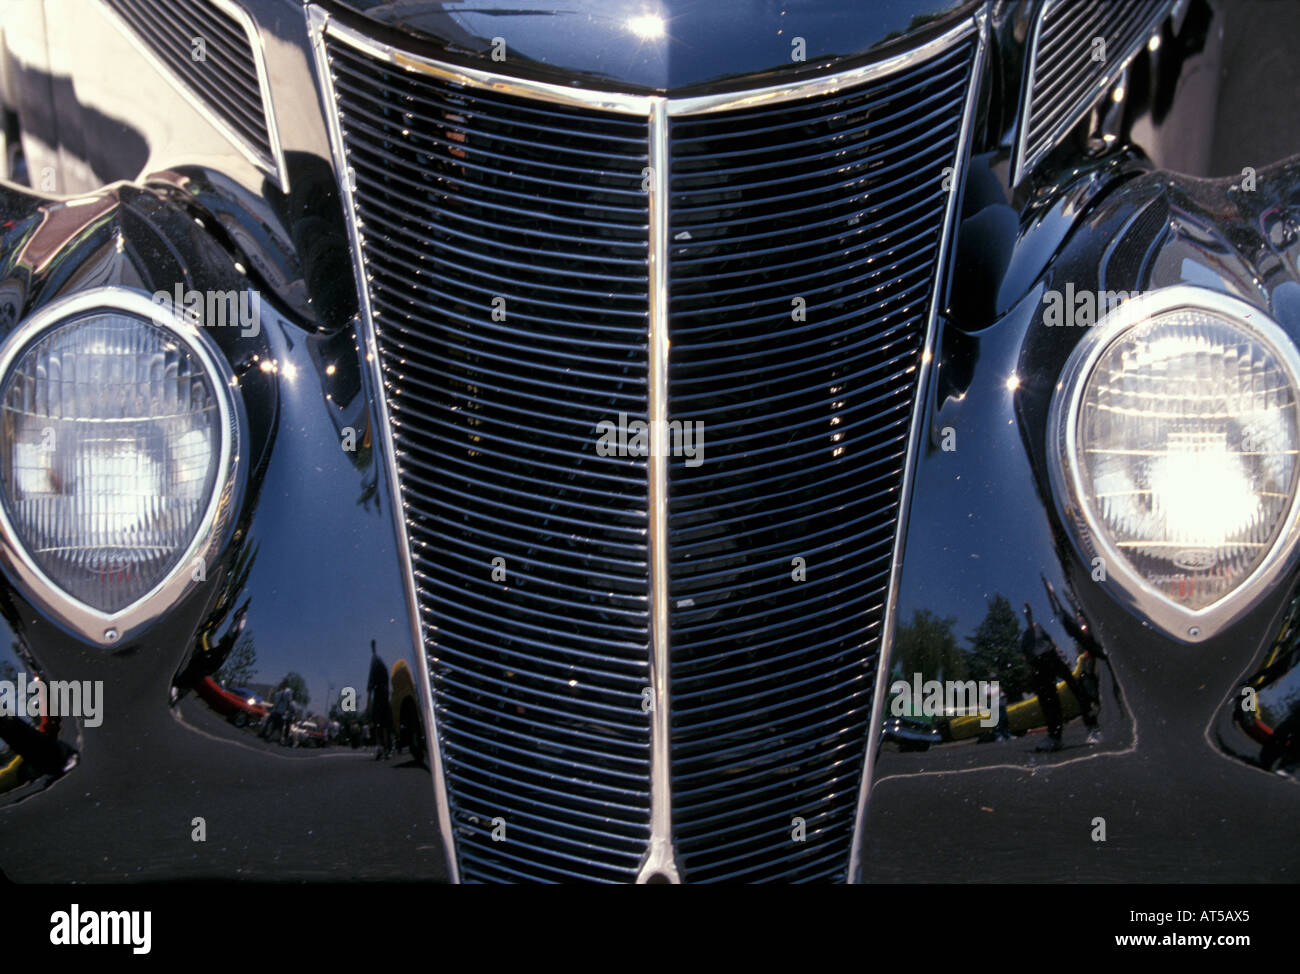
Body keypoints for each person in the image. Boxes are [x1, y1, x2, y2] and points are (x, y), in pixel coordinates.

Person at [1021, 603, 1099, 752]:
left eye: (1028, 614)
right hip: (1038, 664)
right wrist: (1030, 668)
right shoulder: (1025, 636)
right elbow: (1025, 654)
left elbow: (1051, 641)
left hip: (1051, 657)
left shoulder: (1038, 627)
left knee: (1074, 686)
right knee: (1048, 698)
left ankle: (1092, 726)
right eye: (1026, 614)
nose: (1028, 616)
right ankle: (1055, 737)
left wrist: (1060, 651)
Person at [367, 640, 393, 760]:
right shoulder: (380, 664)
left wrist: (369, 695)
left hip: (379, 694)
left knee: (379, 723)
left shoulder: (375, 662)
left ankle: (382, 748)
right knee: (384, 724)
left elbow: (371, 680)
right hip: (384, 693)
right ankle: (386, 748)